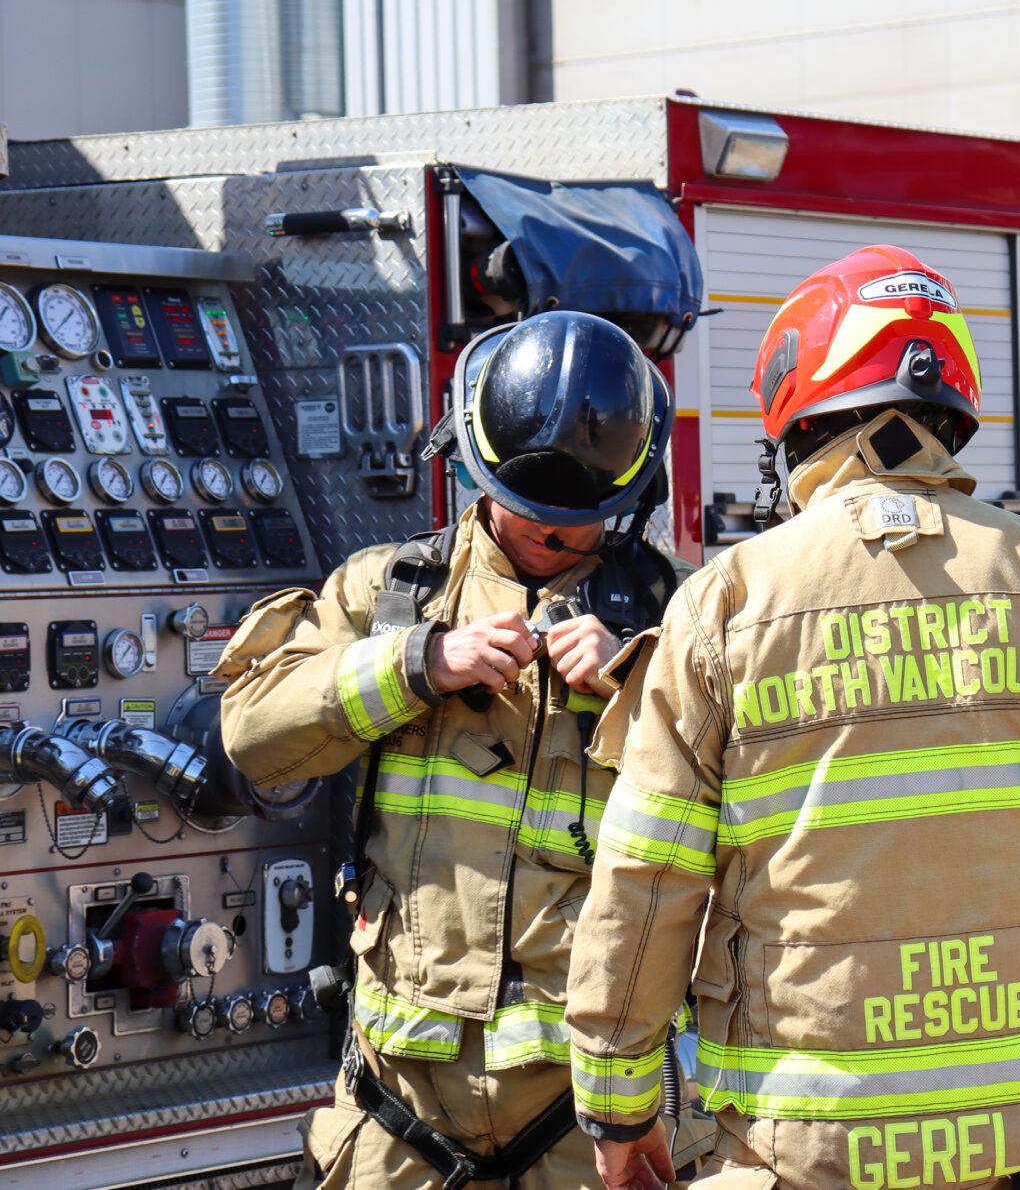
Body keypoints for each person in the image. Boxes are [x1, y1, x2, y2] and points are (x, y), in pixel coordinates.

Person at [564, 245, 1020, 1190]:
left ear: (799, 419)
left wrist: (618, 1109)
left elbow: (645, 881)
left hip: (805, 1150)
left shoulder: (727, 605)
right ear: (949, 413)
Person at [218, 311, 691, 1189]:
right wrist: (415, 664)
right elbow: (252, 735)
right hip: (398, 1113)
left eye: (576, 521)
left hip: (585, 1125)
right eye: (528, 512)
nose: (548, 537)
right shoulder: (390, 593)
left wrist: (638, 690)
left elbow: (756, 813)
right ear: (475, 466)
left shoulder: (681, 616)